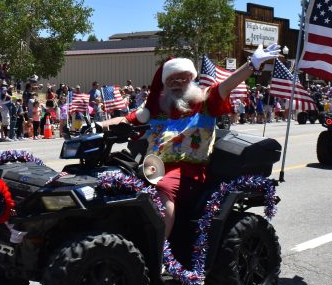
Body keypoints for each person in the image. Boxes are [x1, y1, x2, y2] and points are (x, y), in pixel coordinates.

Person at [104, 44, 281, 239]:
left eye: (182, 78)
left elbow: (228, 84)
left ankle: (158, 256)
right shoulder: (155, 108)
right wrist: (97, 126)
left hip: (187, 170)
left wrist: (252, 64)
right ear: (165, 83)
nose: (177, 83)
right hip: (151, 168)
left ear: (191, 78)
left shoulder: (205, 101)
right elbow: (126, 120)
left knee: (162, 188)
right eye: (171, 79)